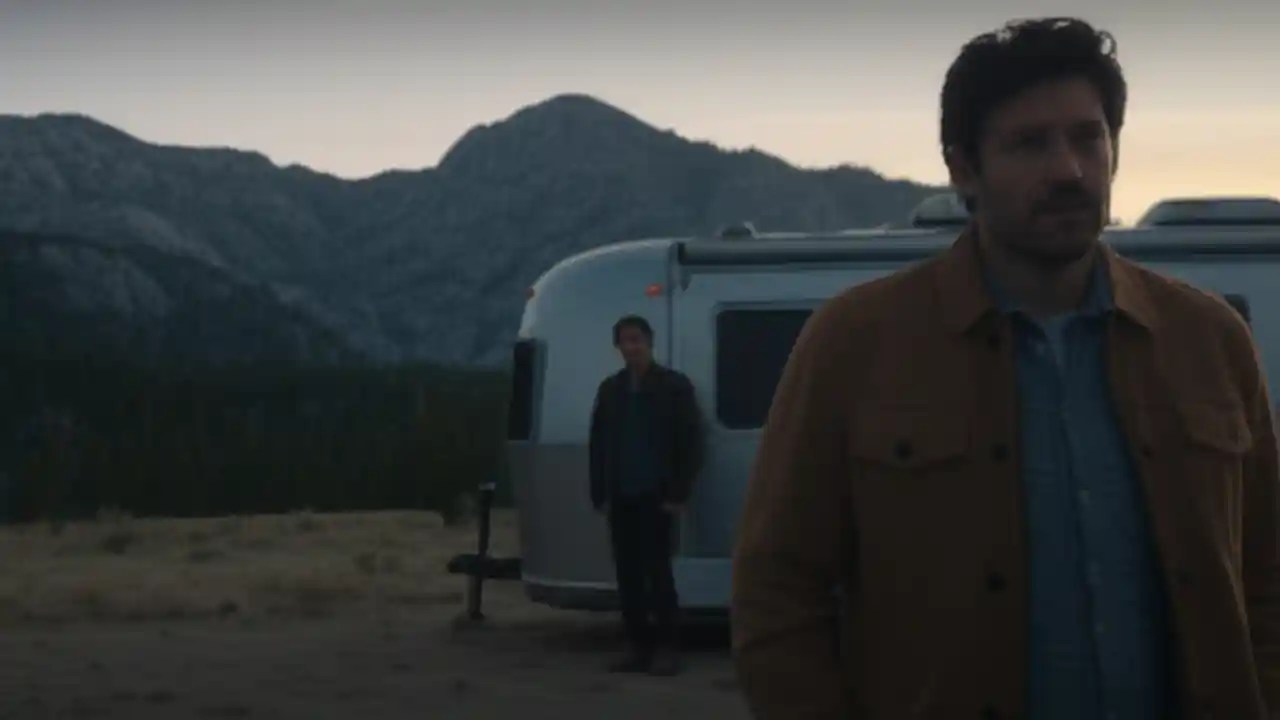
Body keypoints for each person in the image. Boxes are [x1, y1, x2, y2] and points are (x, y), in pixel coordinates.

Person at [731, 16, 1280, 720]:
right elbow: (778, 591)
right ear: (964, 168)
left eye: (1088, 137)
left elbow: (1263, 576)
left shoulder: (1210, 339)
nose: (1069, 170)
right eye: (1029, 143)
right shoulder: (854, 342)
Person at [589, 314, 705, 676]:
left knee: (659, 575)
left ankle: (668, 649)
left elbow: (692, 442)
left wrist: (679, 492)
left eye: (637, 339)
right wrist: (599, 492)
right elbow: (599, 445)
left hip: (658, 497)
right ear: (618, 347)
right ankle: (637, 647)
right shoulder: (611, 390)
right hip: (622, 495)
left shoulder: (674, 386)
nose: (632, 346)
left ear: (650, 342)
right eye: (625, 340)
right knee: (628, 577)